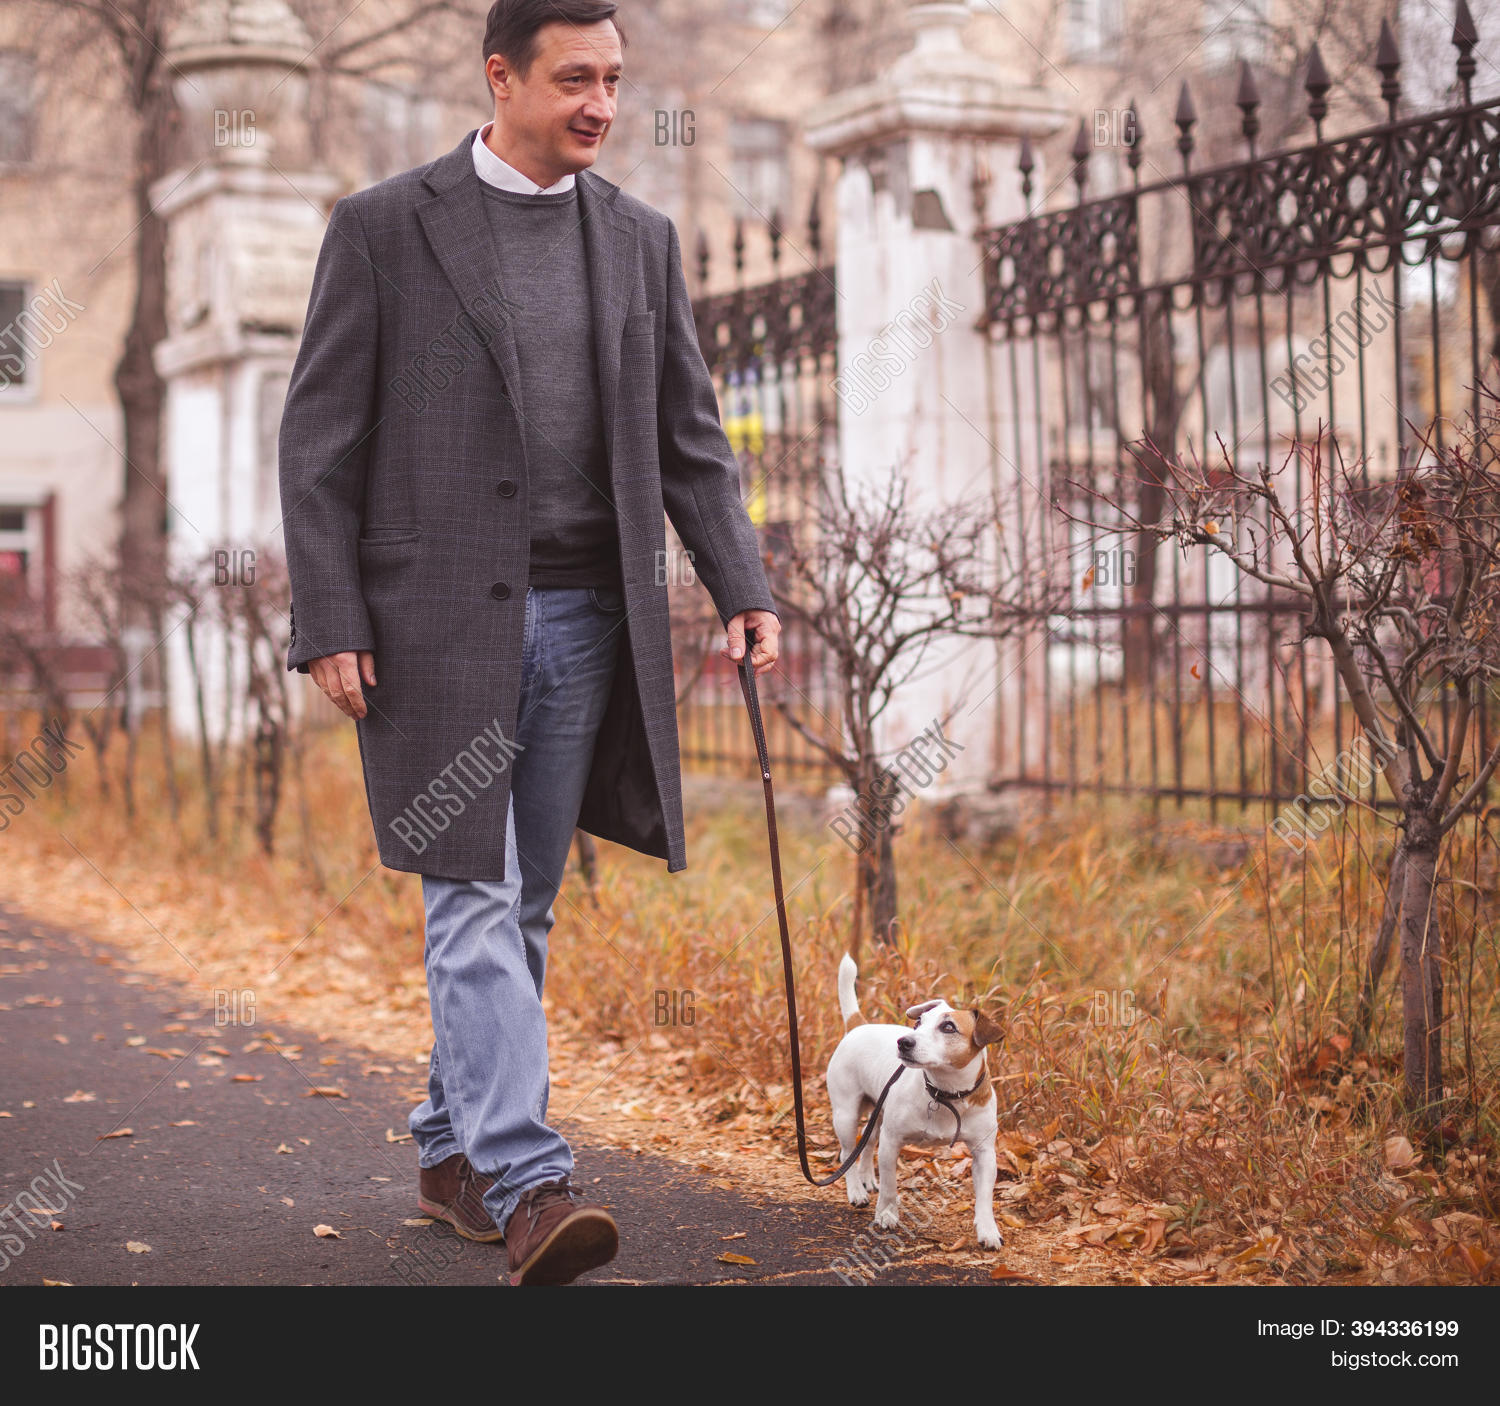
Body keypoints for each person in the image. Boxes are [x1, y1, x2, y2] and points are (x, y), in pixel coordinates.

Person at [277, 0, 781, 1285]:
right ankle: (530, 1184)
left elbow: (689, 437)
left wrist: (741, 581)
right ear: (500, 76)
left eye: (613, 78)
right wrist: (329, 615)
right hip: (431, 625)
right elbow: (319, 441)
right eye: (574, 78)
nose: (601, 102)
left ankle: (449, 1150)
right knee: (472, 893)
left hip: (585, 619)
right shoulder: (385, 227)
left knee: (528, 900)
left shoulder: (641, 239)